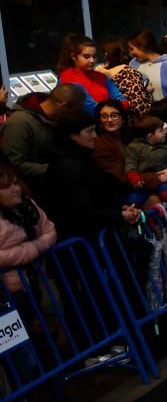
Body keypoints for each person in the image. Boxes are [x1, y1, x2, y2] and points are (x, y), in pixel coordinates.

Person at [45, 114, 141, 240]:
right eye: (89, 131)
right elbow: (82, 210)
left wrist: (121, 207)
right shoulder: (68, 168)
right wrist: (119, 215)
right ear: (73, 136)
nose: (95, 136)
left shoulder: (83, 159)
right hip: (88, 241)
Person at [0, 83, 84, 196]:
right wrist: (55, 169)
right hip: (35, 189)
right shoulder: (19, 122)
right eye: (75, 111)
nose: (75, 115)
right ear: (63, 106)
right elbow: (14, 163)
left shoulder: (55, 119)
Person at [0, 164, 57, 296]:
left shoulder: (28, 207)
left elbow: (50, 231)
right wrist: (34, 249)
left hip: (30, 281)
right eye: (6, 187)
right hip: (6, 292)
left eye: (15, 183)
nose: (16, 189)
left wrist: (35, 246)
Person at [56, 34, 126, 116]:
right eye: (86, 57)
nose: (92, 60)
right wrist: (113, 111)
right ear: (73, 56)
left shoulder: (101, 76)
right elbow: (91, 109)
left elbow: (123, 100)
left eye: (94, 56)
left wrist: (109, 112)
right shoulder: (68, 79)